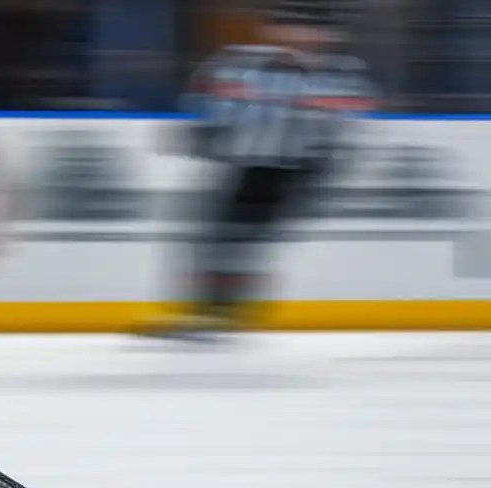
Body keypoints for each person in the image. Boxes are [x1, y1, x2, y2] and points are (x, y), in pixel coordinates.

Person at [138, 5, 375, 340]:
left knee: (247, 240)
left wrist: (322, 169)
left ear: (329, 35)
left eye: (309, 28)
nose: (297, 35)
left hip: (293, 172)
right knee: (213, 237)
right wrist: (203, 131)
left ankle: (226, 312)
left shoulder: (341, 74)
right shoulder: (240, 63)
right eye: (288, 26)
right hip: (243, 163)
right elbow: (206, 97)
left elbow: (343, 128)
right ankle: (202, 311)